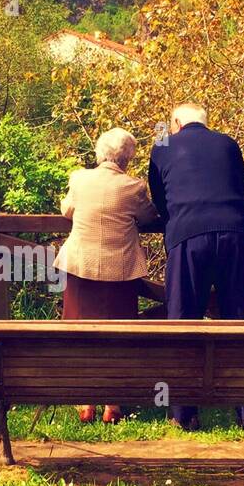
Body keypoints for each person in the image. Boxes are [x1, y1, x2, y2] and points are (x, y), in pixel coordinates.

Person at [148, 102, 244, 431]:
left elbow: (159, 200)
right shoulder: (228, 142)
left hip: (188, 235)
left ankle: (184, 413)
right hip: (235, 234)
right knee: (239, 319)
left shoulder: (162, 143)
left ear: (177, 123)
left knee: (182, 321)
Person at [55, 127, 159, 424]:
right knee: (119, 336)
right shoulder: (134, 187)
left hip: (80, 266)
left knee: (78, 333)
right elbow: (149, 217)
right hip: (120, 272)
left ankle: (85, 400)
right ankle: (112, 405)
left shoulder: (79, 178)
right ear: (127, 158)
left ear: (99, 154)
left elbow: (67, 210)